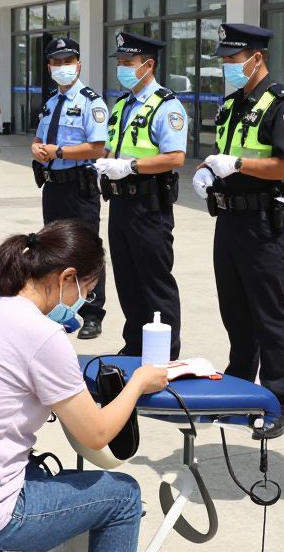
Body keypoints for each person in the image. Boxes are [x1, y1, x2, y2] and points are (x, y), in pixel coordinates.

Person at [0, 220, 168, 552]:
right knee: (123, 495)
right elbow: (96, 434)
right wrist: (139, 381)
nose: (84, 300)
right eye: (88, 291)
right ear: (67, 277)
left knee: (38, 472)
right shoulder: (41, 334)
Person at [191, 23, 284, 440]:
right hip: (229, 220)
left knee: (268, 313)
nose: (226, 67)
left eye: (232, 59)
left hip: (263, 224)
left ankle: (276, 399)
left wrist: (237, 166)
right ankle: (239, 387)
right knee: (235, 310)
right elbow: (224, 153)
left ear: (256, 58)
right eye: (223, 60)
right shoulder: (232, 104)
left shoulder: (282, 105)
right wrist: (208, 170)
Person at [95, 32, 187, 359]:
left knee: (155, 283)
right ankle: (134, 345)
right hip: (119, 203)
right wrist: (104, 163)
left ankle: (165, 354)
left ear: (148, 65)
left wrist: (131, 167)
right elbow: (112, 144)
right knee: (127, 280)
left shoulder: (166, 105)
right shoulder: (121, 103)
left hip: (149, 207)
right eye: (119, 62)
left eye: (127, 63)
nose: (121, 68)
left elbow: (175, 157)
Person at [32, 37, 109, 340]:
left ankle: (92, 312)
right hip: (53, 188)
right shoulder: (51, 102)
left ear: (78, 64)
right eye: (56, 62)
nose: (62, 67)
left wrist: (59, 152)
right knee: (53, 249)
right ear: (49, 66)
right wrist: (38, 149)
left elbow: (97, 148)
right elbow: (39, 140)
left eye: (68, 62)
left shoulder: (91, 102)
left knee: (86, 250)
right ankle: (60, 309)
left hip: (80, 188)